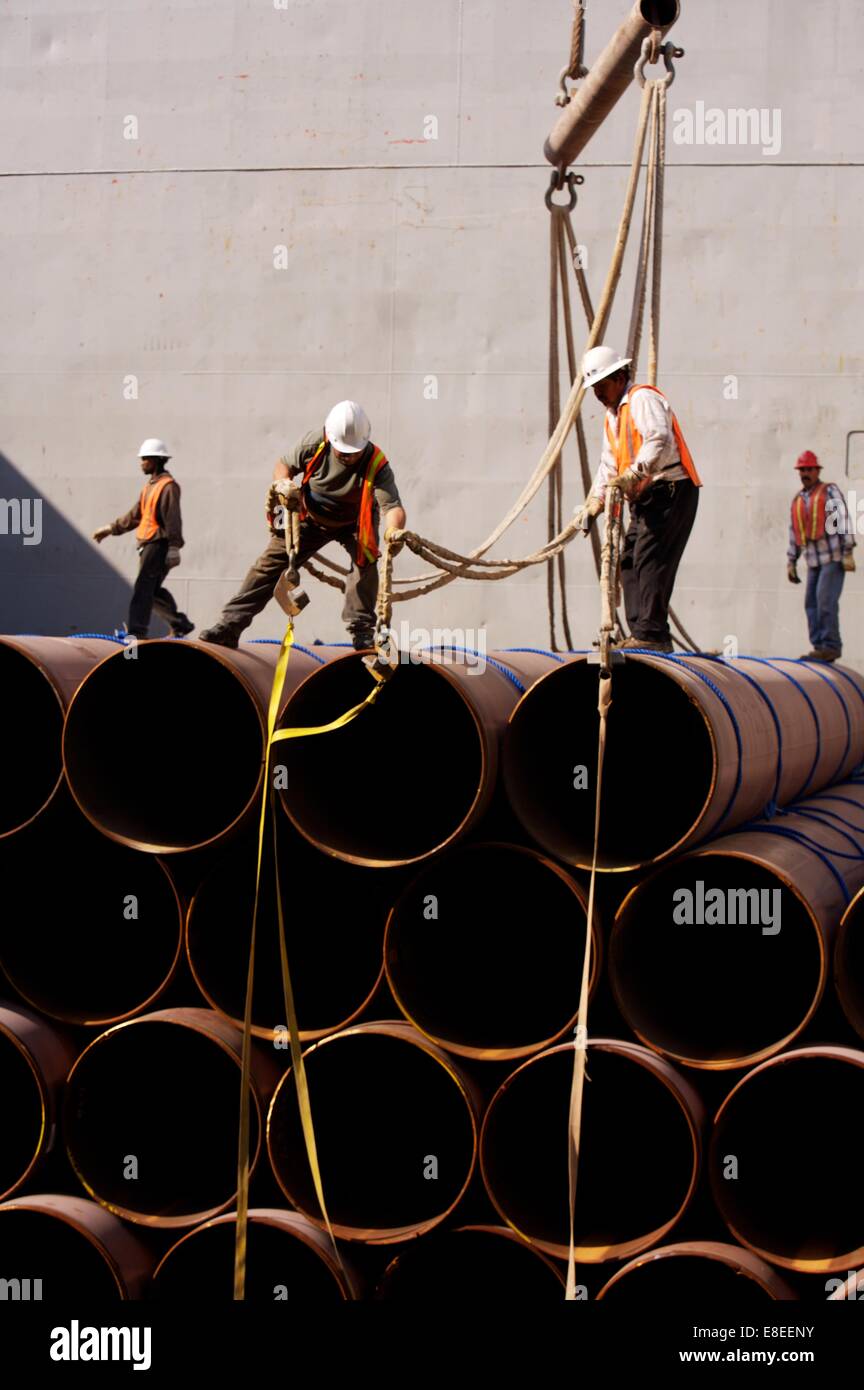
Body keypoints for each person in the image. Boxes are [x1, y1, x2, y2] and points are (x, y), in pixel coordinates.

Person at [199, 400, 406, 651]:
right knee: (268, 565)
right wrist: (284, 483)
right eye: (343, 451)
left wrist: (393, 532)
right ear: (330, 438)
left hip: (355, 522)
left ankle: (361, 632)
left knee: (366, 564)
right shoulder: (315, 443)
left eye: (353, 452)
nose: (348, 456)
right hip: (310, 518)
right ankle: (230, 626)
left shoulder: (376, 462)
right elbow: (283, 465)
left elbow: (392, 507)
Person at [573, 346, 702, 653]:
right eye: (594, 390)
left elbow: (659, 438)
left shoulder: (642, 399)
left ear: (619, 378)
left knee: (650, 559)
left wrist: (634, 473)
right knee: (629, 562)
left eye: (601, 387)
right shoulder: (612, 416)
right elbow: (608, 467)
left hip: (670, 490)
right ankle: (642, 634)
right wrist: (595, 503)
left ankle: (651, 633)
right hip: (646, 497)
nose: (598, 395)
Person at [93, 439, 193, 639]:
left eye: (145, 459)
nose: (141, 463)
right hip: (148, 544)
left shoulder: (168, 487)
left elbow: (173, 519)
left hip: (158, 545)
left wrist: (174, 547)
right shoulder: (150, 487)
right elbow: (135, 516)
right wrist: (110, 529)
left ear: (156, 460)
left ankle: (137, 631)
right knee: (153, 591)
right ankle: (180, 623)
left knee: (143, 589)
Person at [787, 449, 855, 662]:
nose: (805, 473)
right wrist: (792, 561)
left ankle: (831, 646)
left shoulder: (829, 492)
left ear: (817, 471)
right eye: (803, 470)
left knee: (825, 602)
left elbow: (841, 519)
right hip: (814, 560)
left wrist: (848, 551)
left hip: (832, 558)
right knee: (811, 604)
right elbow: (794, 532)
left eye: (809, 469)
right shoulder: (799, 499)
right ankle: (819, 646)